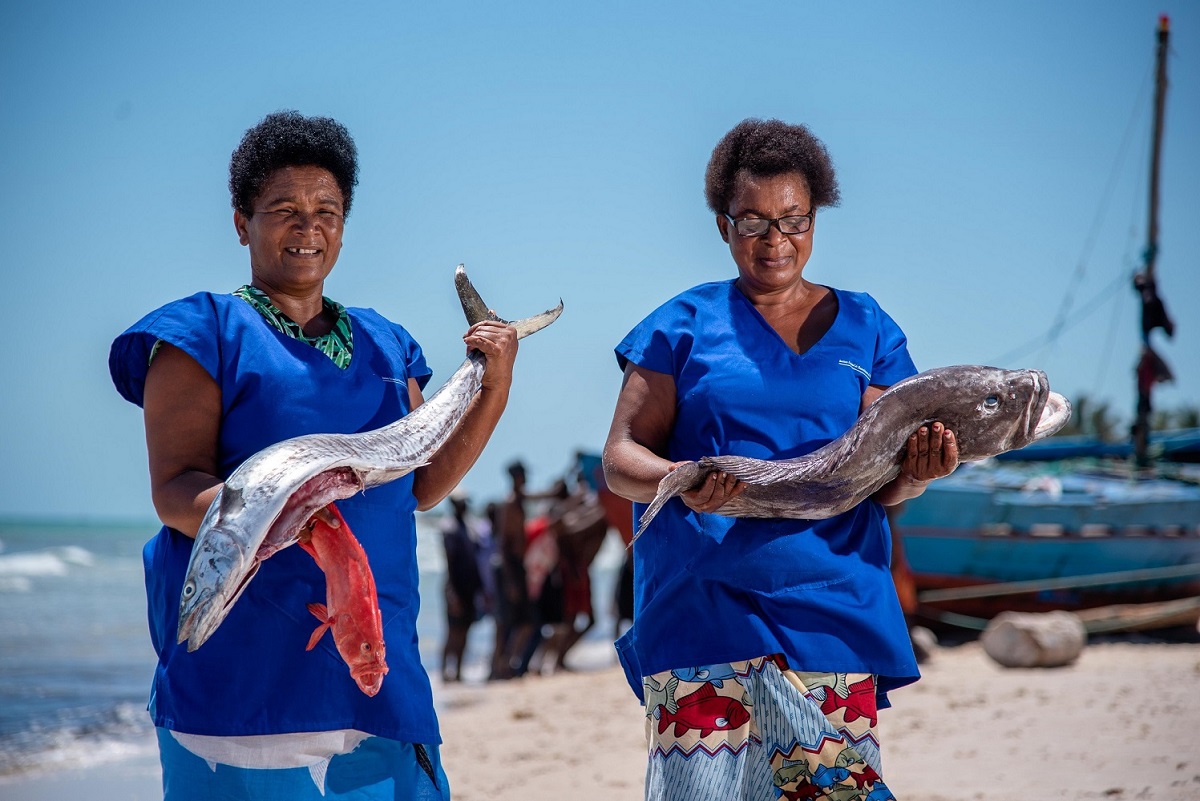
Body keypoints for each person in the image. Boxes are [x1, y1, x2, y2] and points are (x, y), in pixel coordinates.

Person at [108, 110, 519, 800]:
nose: (308, 228)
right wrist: (288, 514)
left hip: (377, 687)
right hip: (242, 692)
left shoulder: (389, 344)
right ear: (242, 221)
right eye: (284, 210)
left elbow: (419, 482)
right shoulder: (199, 333)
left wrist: (495, 383)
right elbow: (176, 489)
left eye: (326, 210)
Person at [602, 118, 959, 800]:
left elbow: (883, 483)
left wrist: (917, 470)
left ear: (815, 218)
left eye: (792, 219)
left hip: (831, 611)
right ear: (722, 225)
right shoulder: (681, 325)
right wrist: (683, 479)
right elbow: (621, 458)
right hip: (702, 608)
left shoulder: (868, 326)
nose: (775, 240)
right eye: (753, 221)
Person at [439, 490, 484, 683]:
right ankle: (444, 672)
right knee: (453, 631)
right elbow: (450, 563)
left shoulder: (470, 527)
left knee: (465, 629)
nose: (465, 506)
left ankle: (457, 671)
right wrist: (452, 593)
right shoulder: (450, 528)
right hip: (455, 587)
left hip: (469, 588)